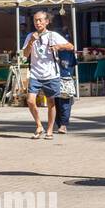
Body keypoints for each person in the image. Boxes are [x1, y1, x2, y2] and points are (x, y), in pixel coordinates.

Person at [22, 10, 73, 140]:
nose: (38, 22)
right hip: (35, 74)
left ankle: (49, 130)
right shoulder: (30, 36)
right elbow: (25, 54)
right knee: (30, 101)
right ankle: (39, 126)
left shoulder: (52, 35)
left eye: (40, 20)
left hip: (51, 74)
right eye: (35, 20)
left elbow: (70, 46)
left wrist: (58, 46)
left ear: (47, 21)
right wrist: (30, 42)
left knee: (51, 103)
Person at [53, 47, 79, 134]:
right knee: (55, 103)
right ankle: (60, 124)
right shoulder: (50, 51)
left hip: (65, 79)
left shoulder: (68, 51)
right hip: (53, 79)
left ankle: (63, 125)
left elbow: (72, 65)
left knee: (65, 103)